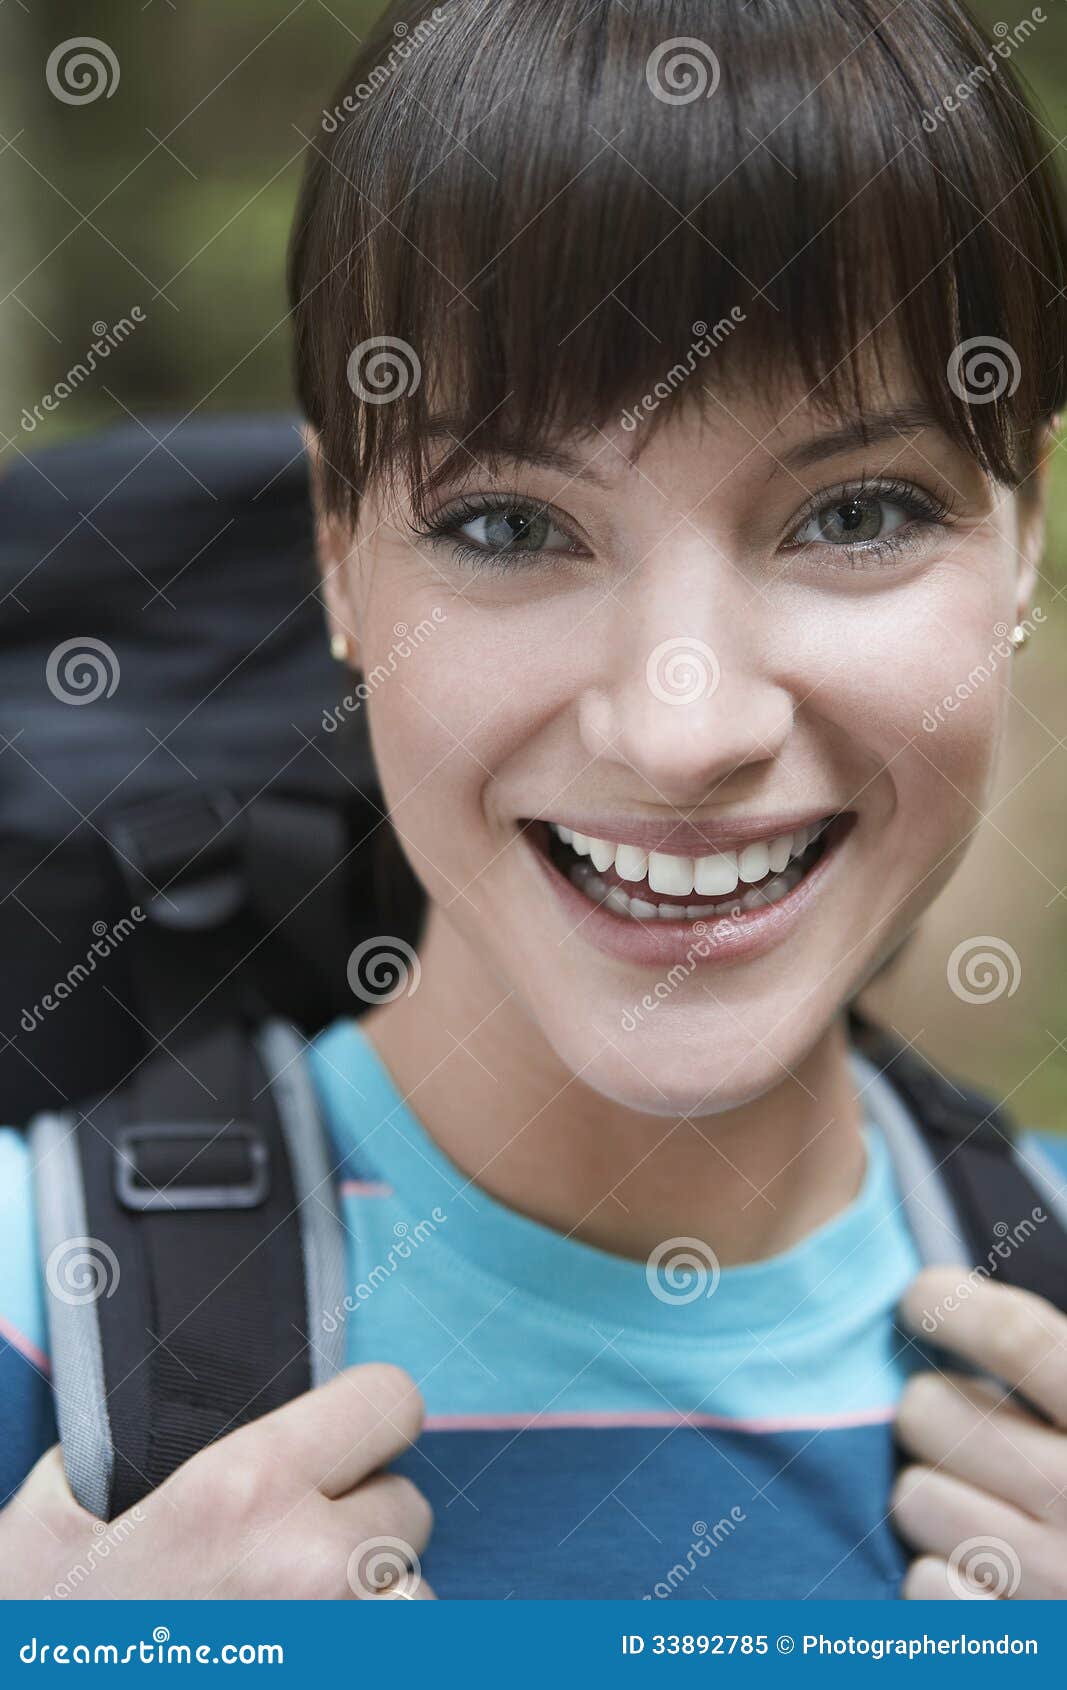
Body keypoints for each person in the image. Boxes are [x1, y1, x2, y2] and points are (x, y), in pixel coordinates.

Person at [3, 0, 1067, 1600]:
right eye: (507, 526)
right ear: (337, 554)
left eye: (856, 509)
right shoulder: (38, 1331)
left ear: (1026, 539)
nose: (682, 726)